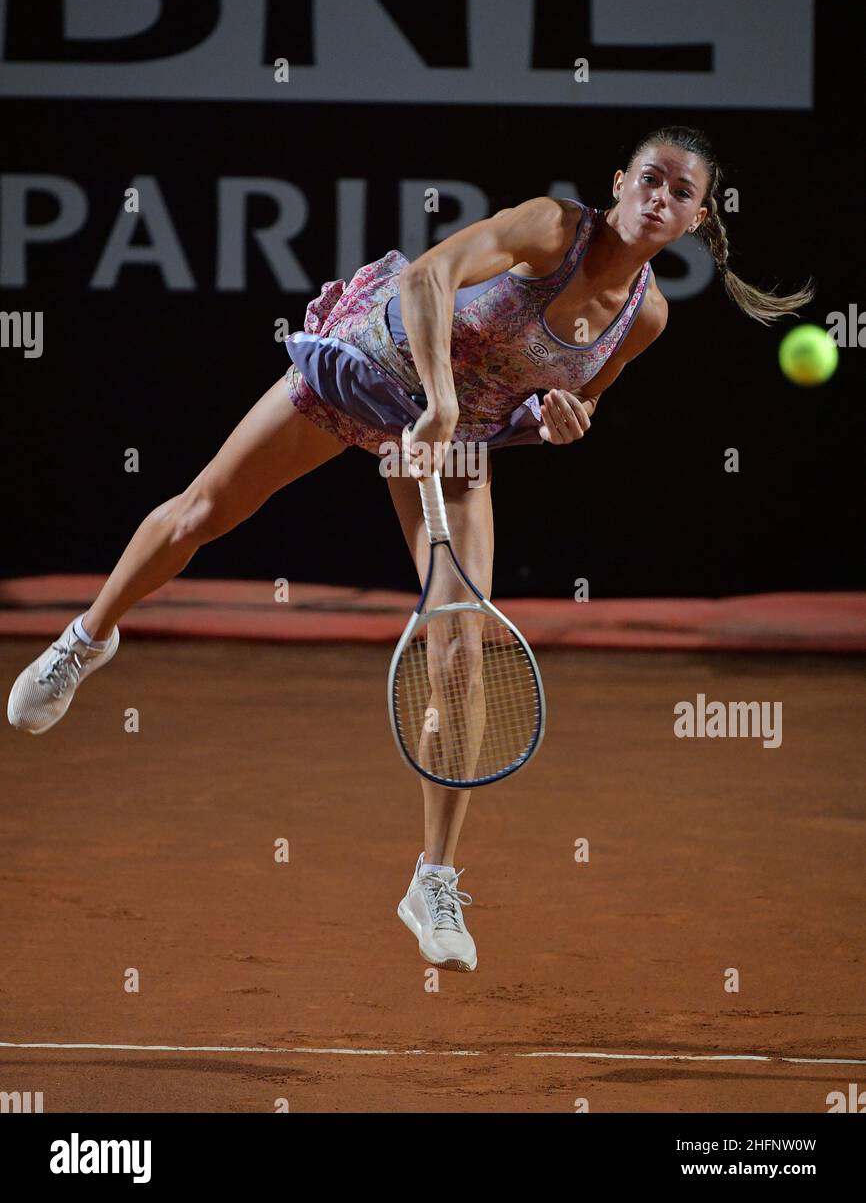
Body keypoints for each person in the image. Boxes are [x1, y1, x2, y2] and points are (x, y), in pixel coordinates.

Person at [6, 125, 812, 973]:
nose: (661, 199)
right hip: (373, 363)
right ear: (618, 183)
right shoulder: (551, 227)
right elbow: (430, 276)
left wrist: (558, 420)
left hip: (456, 438)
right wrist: (435, 403)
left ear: (694, 217)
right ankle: (86, 638)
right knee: (205, 510)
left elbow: (564, 402)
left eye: (681, 193)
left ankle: (434, 877)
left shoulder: (646, 317)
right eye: (650, 179)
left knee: (462, 645)